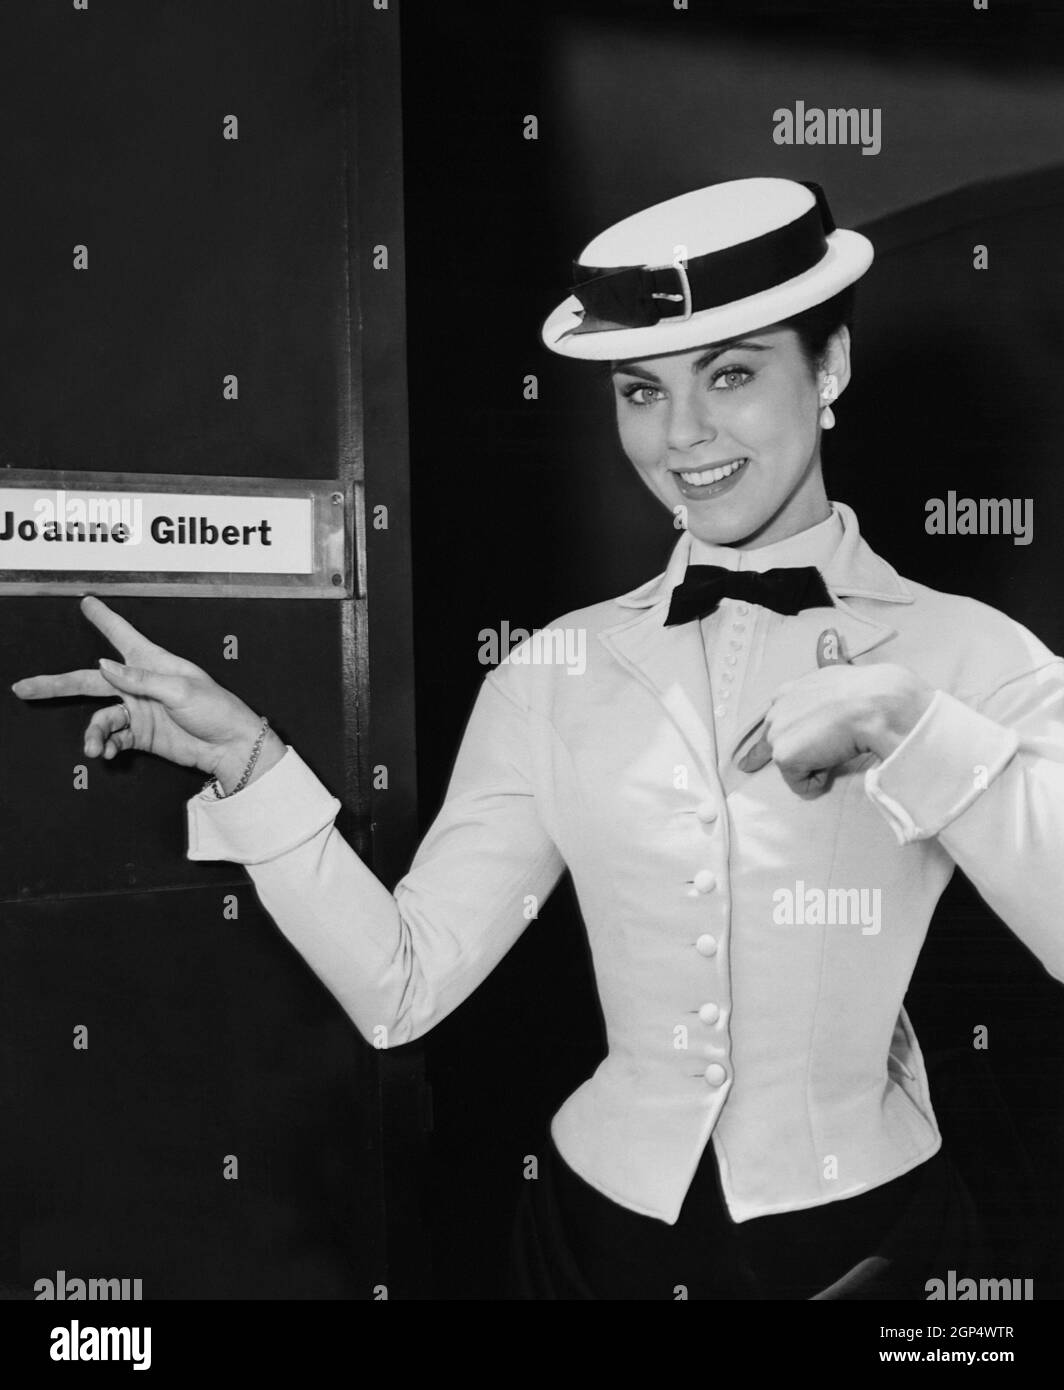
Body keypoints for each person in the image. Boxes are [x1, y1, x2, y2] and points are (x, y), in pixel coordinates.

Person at [11, 177, 1064, 1300]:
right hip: (588, 1246)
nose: (682, 435)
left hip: (874, 1240)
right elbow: (400, 987)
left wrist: (912, 730)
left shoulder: (966, 652)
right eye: (639, 391)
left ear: (831, 369)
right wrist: (251, 765)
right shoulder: (551, 669)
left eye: (732, 372)